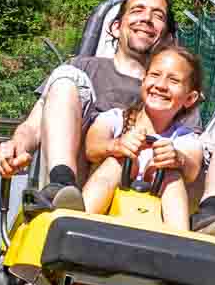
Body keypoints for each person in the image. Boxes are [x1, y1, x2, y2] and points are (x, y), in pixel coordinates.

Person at [0, 0, 215, 240]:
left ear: (168, 37)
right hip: (88, 179)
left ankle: (209, 213)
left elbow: (193, 153)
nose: (146, 19)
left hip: (160, 192)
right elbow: (36, 125)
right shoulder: (85, 69)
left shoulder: (176, 93)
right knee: (66, 76)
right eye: (137, 10)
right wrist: (16, 144)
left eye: (158, 15)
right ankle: (63, 187)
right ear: (116, 26)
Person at [82, 42, 205, 230]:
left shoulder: (184, 138)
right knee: (119, 161)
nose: (161, 85)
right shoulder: (115, 119)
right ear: (143, 80)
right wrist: (116, 146)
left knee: (170, 173)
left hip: (154, 220)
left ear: (190, 98)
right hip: (107, 211)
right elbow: (92, 146)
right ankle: (82, 217)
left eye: (173, 81)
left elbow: (193, 167)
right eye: (155, 75)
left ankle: (179, 237)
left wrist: (177, 159)